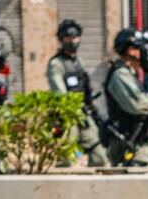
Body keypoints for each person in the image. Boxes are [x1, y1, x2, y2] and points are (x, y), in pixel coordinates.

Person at [46, 19, 109, 168]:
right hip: (67, 116)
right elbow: (60, 93)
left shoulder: (78, 61)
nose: (73, 41)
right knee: (67, 157)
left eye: (75, 37)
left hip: (83, 113)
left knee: (99, 153)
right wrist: (71, 111)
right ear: (62, 39)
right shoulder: (56, 64)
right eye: (68, 37)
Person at [104, 28, 148, 166]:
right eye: (140, 48)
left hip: (137, 142)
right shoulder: (120, 74)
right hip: (129, 142)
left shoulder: (130, 73)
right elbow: (136, 104)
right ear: (131, 50)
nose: (145, 51)